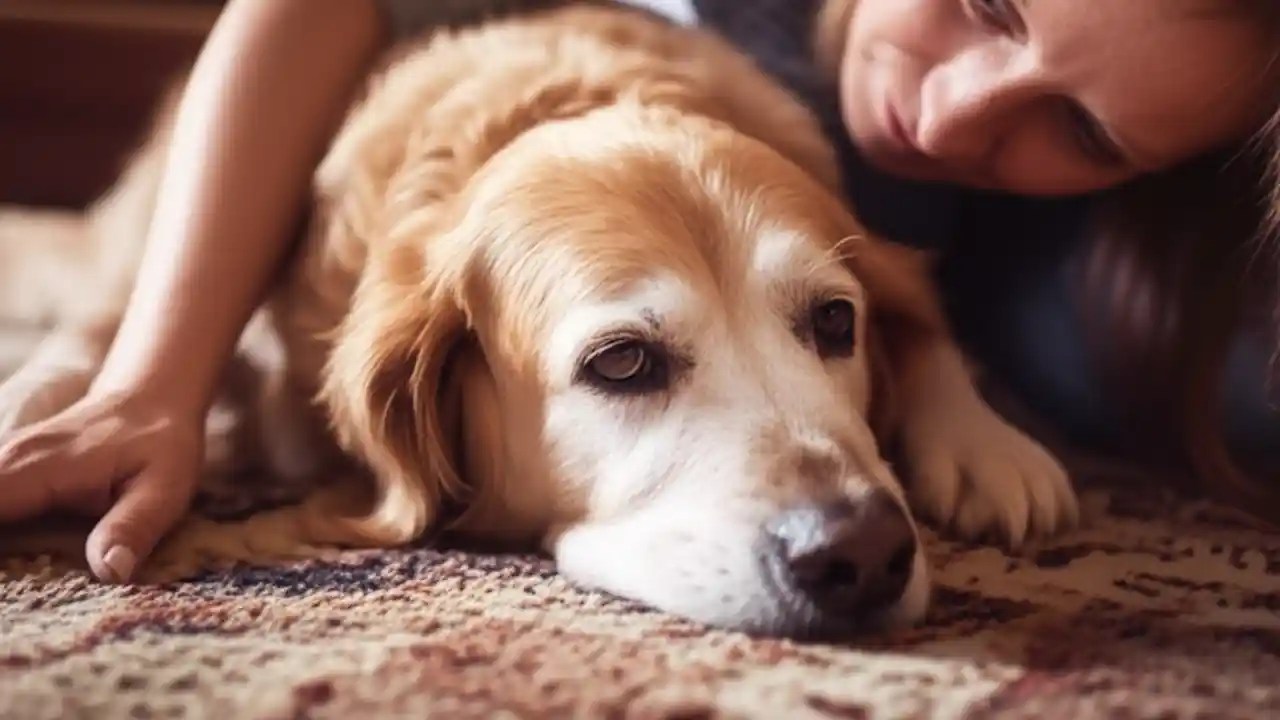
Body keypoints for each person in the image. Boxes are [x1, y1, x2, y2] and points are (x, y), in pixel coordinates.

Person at [0, 0, 1276, 583]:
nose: (948, 113)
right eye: (626, 364)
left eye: (1089, 134)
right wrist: (141, 374)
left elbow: (884, 297)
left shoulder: (1014, 250)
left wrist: (936, 384)